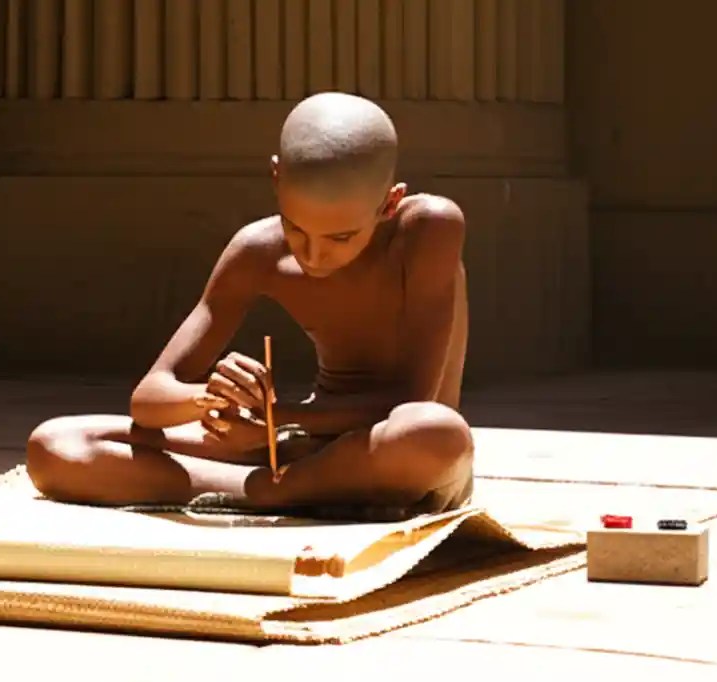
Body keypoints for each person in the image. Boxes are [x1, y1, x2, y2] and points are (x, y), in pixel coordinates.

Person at [26, 92, 473, 514]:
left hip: (384, 442)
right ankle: (272, 492)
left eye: (341, 237)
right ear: (276, 176)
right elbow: (148, 400)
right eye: (295, 227)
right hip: (299, 444)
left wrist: (276, 418)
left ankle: (280, 487)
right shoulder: (257, 250)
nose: (312, 256)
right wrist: (215, 400)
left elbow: (409, 398)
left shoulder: (428, 228)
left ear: (390, 203)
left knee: (433, 433)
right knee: (57, 444)